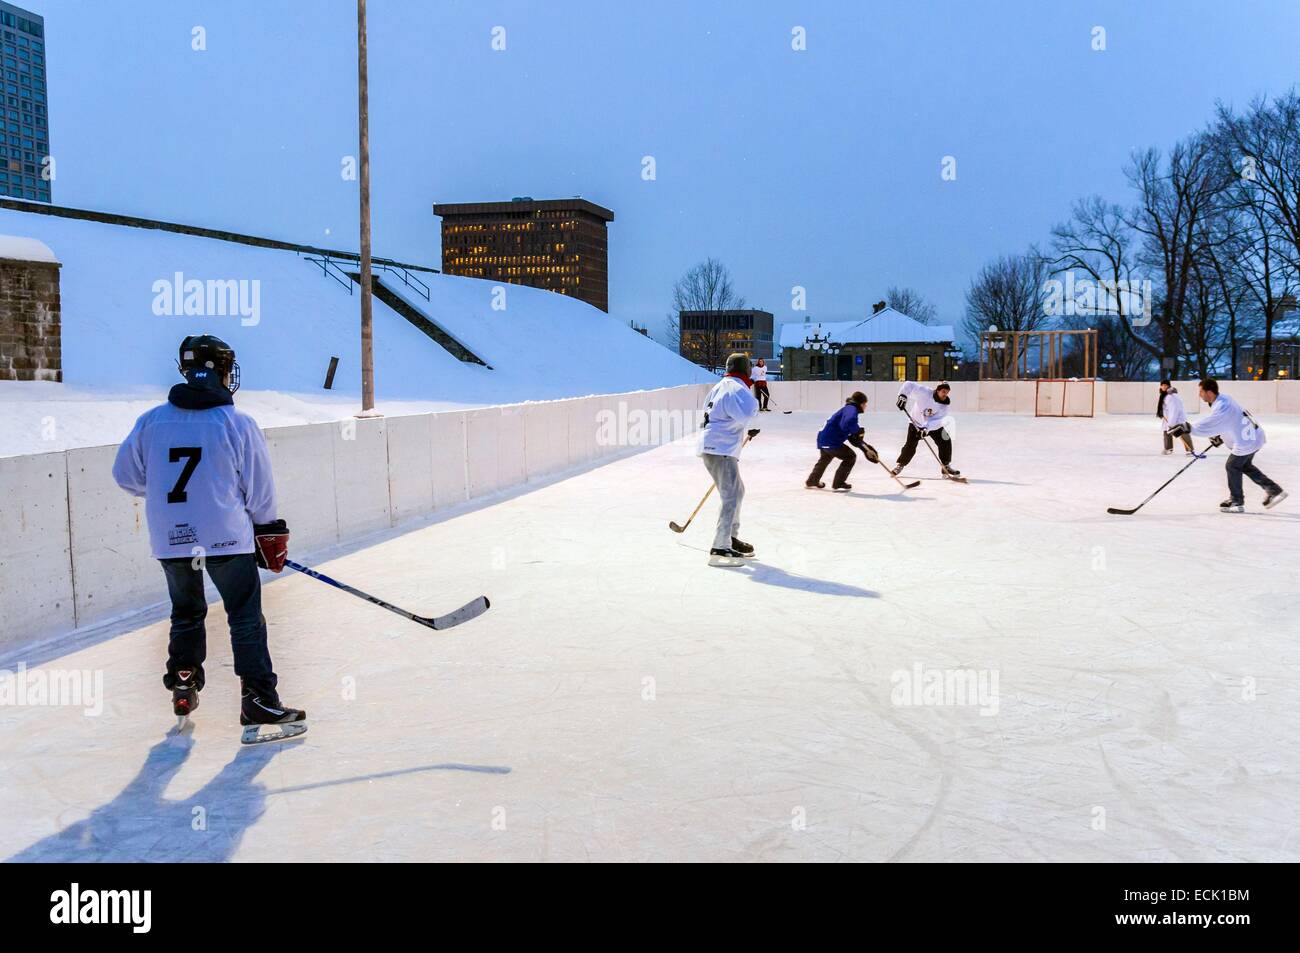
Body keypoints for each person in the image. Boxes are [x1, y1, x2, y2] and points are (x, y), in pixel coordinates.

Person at [112, 334, 306, 742]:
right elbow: (260, 488)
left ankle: (184, 682)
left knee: (186, 612)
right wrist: (267, 528)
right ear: (220, 370)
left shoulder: (151, 421)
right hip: (225, 539)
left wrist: (170, 496)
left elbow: (126, 476)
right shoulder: (236, 422)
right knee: (244, 617)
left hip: (171, 538)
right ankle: (259, 702)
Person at [1169, 378, 1286, 513]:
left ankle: (1236, 501)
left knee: (1232, 466)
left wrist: (1188, 428)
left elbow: (1210, 423)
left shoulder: (1221, 407)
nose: (1199, 394)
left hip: (1247, 441)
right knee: (1244, 466)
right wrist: (1221, 436)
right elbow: (1230, 421)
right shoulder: (1224, 399)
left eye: (1201, 391)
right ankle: (1274, 490)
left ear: (1210, 392)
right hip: (1255, 436)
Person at [698, 352, 760, 567]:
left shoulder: (720, 386)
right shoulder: (736, 387)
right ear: (746, 369)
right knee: (731, 496)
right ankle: (720, 547)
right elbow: (749, 411)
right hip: (720, 447)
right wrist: (752, 420)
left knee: (737, 491)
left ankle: (730, 538)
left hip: (714, 446)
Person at [806, 391, 877, 491]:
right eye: (865, 404)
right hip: (831, 441)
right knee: (850, 457)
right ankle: (838, 483)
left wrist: (865, 449)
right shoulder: (851, 409)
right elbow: (848, 422)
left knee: (825, 459)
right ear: (861, 404)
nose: (865, 406)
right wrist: (857, 431)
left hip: (823, 439)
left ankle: (812, 480)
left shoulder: (846, 409)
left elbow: (851, 435)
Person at [892, 380, 960, 479]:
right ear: (937, 390)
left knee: (945, 440)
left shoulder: (944, 406)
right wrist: (903, 395)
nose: (945, 394)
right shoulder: (924, 392)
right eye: (943, 391)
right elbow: (908, 385)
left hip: (932, 426)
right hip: (915, 423)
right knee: (910, 446)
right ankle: (900, 465)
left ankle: (946, 466)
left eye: (947, 392)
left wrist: (926, 428)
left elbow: (938, 420)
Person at [1158, 380, 1194, 455]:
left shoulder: (1170, 396)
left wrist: (1171, 422)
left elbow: (1174, 409)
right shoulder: (1164, 395)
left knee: (1183, 432)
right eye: (1162, 385)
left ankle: (1190, 450)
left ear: (1169, 386)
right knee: (1166, 432)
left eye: (1166, 385)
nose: (1164, 387)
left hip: (1177, 418)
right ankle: (1168, 448)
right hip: (1168, 417)